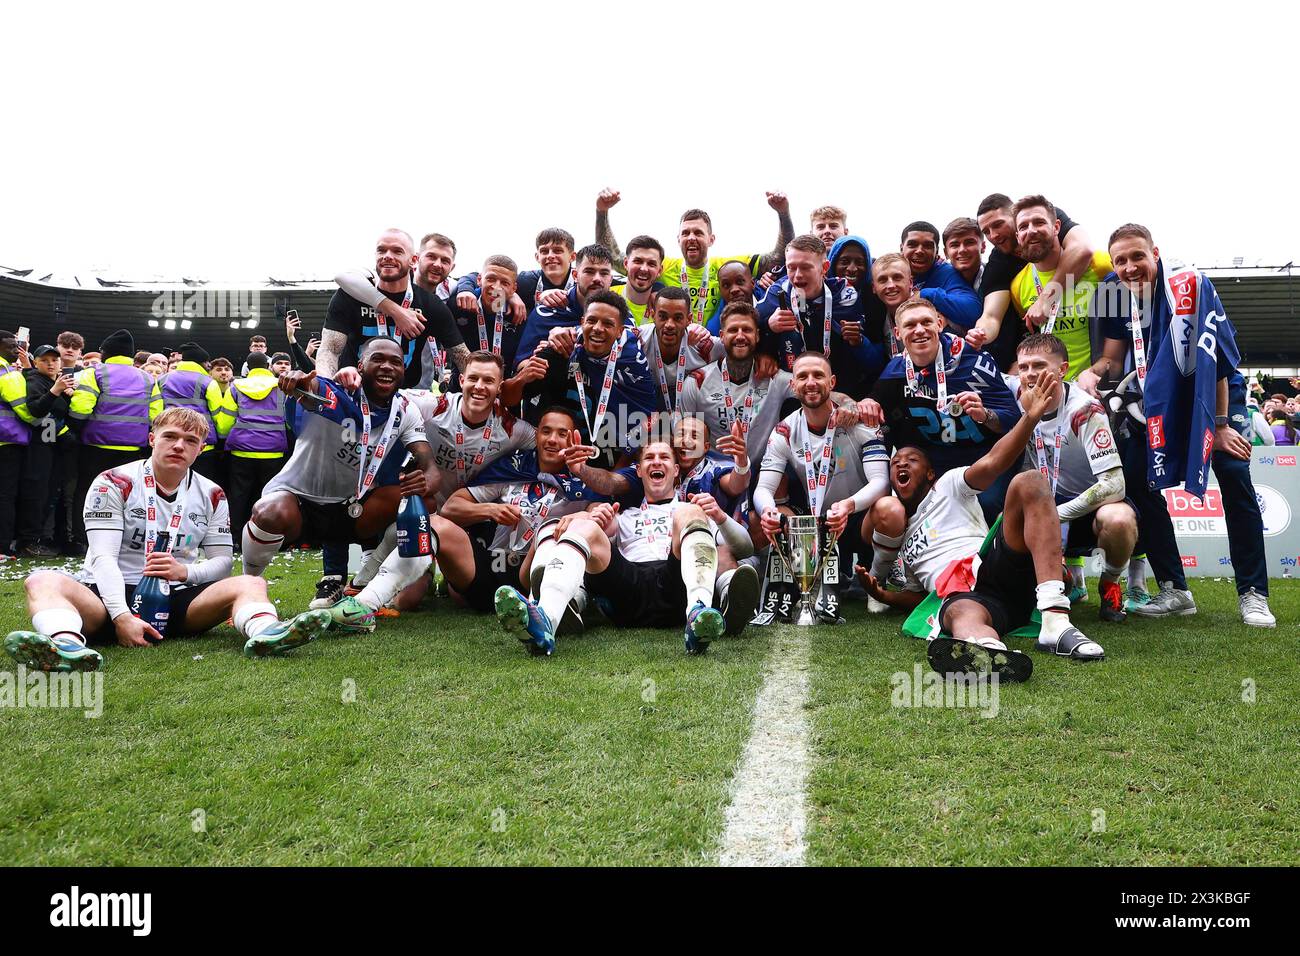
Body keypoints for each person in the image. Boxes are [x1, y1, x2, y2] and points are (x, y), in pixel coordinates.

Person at [3, 407, 332, 671]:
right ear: (152, 439)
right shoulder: (113, 482)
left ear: (201, 448)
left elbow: (221, 562)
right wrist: (121, 617)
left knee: (251, 584)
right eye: (170, 436)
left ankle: (267, 635)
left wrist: (185, 573)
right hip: (104, 601)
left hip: (176, 600)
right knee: (42, 580)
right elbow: (102, 558)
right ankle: (67, 646)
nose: (179, 445)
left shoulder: (213, 493)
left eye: (190, 440)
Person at [857, 370, 1103, 679]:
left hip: (994, 566)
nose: (901, 463)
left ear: (931, 473)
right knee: (958, 612)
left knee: (1029, 481)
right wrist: (884, 596)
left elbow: (993, 463)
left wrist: (1028, 418)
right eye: (895, 463)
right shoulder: (901, 538)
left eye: (912, 460)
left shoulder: (947, 485)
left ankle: (1056, 622)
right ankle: (989, 650)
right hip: (973, 601)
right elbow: (922, 599)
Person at [1090, 224, 1274, 627]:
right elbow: (1115, 360)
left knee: (1232, 474)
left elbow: (1219, 363)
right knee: (1137, 478)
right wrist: (1094, 373)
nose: (1129, 267)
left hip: (1214, 392)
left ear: (1155, 253)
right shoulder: (1113, 292)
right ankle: (1175, 589)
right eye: (1120, 260)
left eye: (1137, 256)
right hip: (1158, 400)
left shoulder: (1188, 285)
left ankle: (1253, 594)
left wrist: (1221, 426)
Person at [241, 338, 437, 631]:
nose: (386, 367)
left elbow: (430, 465)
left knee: (426, 504)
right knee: (269, 512)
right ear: (361, 366)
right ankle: (247, 588)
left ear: (404, 369)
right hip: (300, 503)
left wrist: (425, 482)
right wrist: (299, 384)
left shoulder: (405, 409)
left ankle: (360, 586)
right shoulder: (341, 390)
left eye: (395, 361)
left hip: (350, 508)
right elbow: (312, 391)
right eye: (378, 359)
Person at [495, 437, 752, 656]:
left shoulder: (694, 509)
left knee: (689, 511)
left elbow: (745, 548)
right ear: (639, 471)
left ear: (676, 470)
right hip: (629, 591)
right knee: (586, 528)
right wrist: (590, 521)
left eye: (664, 457)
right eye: (649, 457)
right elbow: (597, 545)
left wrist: (719, 516)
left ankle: (698, 612)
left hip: (675, 588)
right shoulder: (624, 515)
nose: (656, 461)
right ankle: (545, 621)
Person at [405, 407, 604, 619]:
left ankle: (556, 606)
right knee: (434, 523)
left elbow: (599, 518)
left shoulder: (585, 479)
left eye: (562, 434)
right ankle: (380, 594)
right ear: (536, 435)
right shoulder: (513, 466)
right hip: (494, 567)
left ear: (573, 440)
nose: (552, 440)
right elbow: (450, 509)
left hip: (541, 573)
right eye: (546, 431)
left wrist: (576, 517)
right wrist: (490, 509)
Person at [1012, 333, 1137, 622]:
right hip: (1048, 500)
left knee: (1119, 519)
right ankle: (1061, 577)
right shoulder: (1018, 397)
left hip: (1090, 504)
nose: (1030, 374)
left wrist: (1056, 514)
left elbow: (1115, 485)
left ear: (1063, 369)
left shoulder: (1084, 410)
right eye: (1024, 367)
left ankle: (1110, 583)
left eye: (1039, 365)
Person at [861, 299, 1021, 521]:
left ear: (939, 323)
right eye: (910, 325)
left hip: (984, 456)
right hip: (936, 460)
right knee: (909, 497)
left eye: (926, 322)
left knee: (984, 504)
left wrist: (985, 415)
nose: (919, 330)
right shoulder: (896, 370)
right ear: (897, 333)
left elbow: (1015, 420)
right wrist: (865, 403)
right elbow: (873, 404)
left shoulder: (973, 361)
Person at [755, 352, 890, 606]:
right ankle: (808, 584)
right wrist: (768, 512)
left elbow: (881, 482)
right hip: (816, 523)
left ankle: (876, 582)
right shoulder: (784, 430)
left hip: (857, 517)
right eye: (802, 376)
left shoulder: (859, 421)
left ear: (832, 382)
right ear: (793, 386)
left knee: (890, 510)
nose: (811, 382)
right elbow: (763, 488)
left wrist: (849, 505)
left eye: (818, 375)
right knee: (777, 514)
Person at [596, 189, 795, 328]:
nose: (691, 237)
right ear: (678, 239)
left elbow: (779, 257)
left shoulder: (729, 268)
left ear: (711, 239)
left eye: (698, 233)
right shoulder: (660, 266)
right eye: (686, 233)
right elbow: (612, 258)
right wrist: (602, 211)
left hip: (712, 352)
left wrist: (783, 213)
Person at [513, 291, 656, 465]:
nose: (597, 328)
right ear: (582, 322)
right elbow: (512, 398)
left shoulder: (632, 359)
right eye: (591, 321)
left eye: (608, 324)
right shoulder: (562, 345)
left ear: (620, 331)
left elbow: (651, 419)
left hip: (607, 454)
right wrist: (521, 379)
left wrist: (617, 473)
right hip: (552, 453)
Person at [323, 228, 468, 387]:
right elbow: (330, 350)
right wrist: (325, 387)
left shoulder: (432, 304)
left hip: (405, 399)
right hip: (353, 391)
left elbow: (461, 355)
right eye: (381, 250)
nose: (387, 256)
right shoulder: (351, 294)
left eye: (397, 251)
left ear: (413, 260)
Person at [67, 330, 162, 553]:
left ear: (105, 352)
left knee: (89, 494)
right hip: (133, 450)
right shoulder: (148, 379)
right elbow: (155, 416)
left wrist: (75, 429)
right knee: (129, 498)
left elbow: (81, 408)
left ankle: (83, 540)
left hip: (96, 446)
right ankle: (124, 542)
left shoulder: (95, 373)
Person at [758, 234, 883, 398]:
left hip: (839, 391)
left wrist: (859, 342)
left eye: (806, 267)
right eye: (791, 267)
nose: (797, 275)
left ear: (824, 267)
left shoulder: (844, 295)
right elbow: (749, 330)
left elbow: (874, 362)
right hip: (794, 390)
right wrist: (768, 326)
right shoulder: (778, 292)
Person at [972, 192, 1095, 357]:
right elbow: (991, 315)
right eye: (986, 231)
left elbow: (1083, 249)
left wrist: (1045, 298)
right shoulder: (998, 263)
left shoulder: (1042, 217)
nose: (993, 235)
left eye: (998, 224)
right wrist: (979, 333)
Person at [1005, 196, 1111, 382]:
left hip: (1095, 385)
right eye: (1023, 226)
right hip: (1050, 394)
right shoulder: (1017, 286)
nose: (1031, 231)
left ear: (1056, 227)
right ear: (1017, 237)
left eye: (1039, 222)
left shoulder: (1099, 265)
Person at [511, 243, 619, 366]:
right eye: (589, 272)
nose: (597, 279)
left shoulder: (620, 313)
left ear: (611, 279)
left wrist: (575, 332)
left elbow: (630, 337)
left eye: (604, 273)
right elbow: (520, 364)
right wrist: (546, 356)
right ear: (575, 275)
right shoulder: (545, 311)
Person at [13, 345, 75, 557]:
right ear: (36, 362)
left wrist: (67, 394)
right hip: (39, 447)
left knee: (49, 495)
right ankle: (27, 541)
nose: (51, 363)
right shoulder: (34, 380)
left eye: (54, 360)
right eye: (45, 360)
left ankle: (39, 538)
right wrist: (56, 391)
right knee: (35, 494)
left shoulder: (55, 382)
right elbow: (36, 410)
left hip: (54, 448)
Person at [225, 352, 291, 547]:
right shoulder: (281, 387)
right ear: (269, 365)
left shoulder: (236, 386)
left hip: (241, 451)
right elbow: (289, 420)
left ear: (248, 366)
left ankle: (236, 539)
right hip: (273, 451)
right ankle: (266, 540)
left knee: (238, 496)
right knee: (269, 498)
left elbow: (225, 422)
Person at [154, 342, 232, 483]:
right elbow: (217, 414)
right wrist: (221, 435)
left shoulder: (162, 379)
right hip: (200, 444)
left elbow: (155, 411)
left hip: (167, 441)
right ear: (202, 363)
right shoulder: (208, 382)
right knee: (199, 485)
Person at [898, 221, 982, 331]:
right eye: (912, 245)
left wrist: (927, 294)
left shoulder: (947, 273)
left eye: (927, 246)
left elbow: (973, 310)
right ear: (901, 248)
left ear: (936, 251)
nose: (919, 251)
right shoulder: (891, 273)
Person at [612, 235, 667, 324]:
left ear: (659, 270)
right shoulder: (606, 297)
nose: (644, 269)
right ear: (626, 264)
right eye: (638, 261)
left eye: (651, 264)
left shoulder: (666, 311)